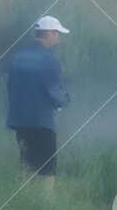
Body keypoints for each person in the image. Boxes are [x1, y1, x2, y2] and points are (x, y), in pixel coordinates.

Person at [6, 15, 70, 188]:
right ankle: (45, 206)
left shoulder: (17, 57)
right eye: (57, 33)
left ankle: (24, 201)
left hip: (19, 121)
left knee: (27, 162)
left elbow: (10, 86)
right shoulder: (49, 60)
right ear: (48, 34)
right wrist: (65, 101)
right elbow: (54, 92)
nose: (58, 38)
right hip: (42, 122)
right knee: (47, 168)